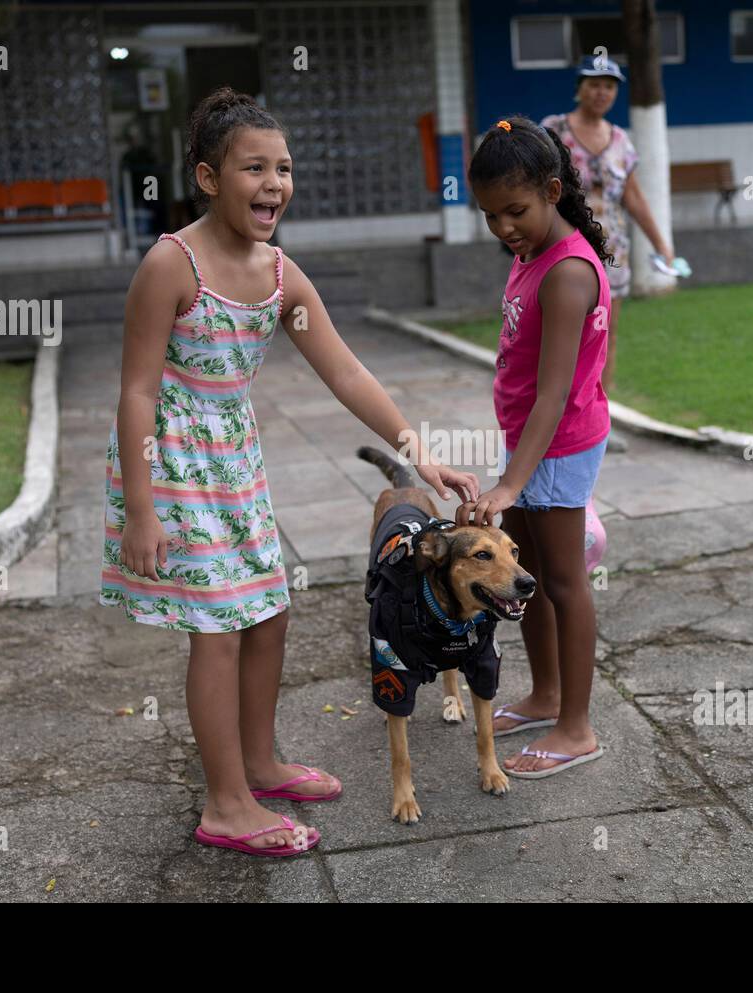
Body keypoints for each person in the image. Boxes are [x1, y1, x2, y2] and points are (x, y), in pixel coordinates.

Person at [100, 88, 479, 854]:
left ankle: (260, 758)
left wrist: (419, 449)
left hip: (235, 464)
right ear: (208, 178)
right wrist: (141, 508)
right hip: (172, 467)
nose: (275, 183)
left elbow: (344, 372)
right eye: (254, 168)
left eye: (284, 167)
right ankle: (225, 802)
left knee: (270, 611)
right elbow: (136, 390)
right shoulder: (170, 263)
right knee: (218, 629)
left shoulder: (279, 275)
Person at [457, 116, 609, 778]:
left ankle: (577, 727)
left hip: (554, 446)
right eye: (490, 215)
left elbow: (555, 394)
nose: (504, 227)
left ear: (552, 190)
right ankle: (547, 693)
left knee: (566, 583)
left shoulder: (566, 273)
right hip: (533, 446)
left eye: (515, 211)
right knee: (530, 580)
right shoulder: (532, 256)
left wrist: (511, 484)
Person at [541, 56, 675, 452]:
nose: (602, 92)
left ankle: (596, 421)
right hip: (560, 254)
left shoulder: (621, 140)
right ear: (579, 87)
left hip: (610, 256)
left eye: (610, 86)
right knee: (551, 335)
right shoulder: (553, 130)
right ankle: (548, 419)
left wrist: (661, 245)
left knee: (602, 338)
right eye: (594, 83)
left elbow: (633, 196)